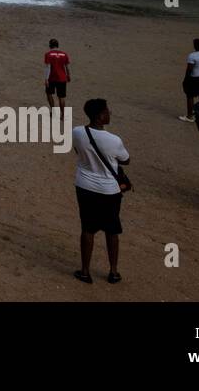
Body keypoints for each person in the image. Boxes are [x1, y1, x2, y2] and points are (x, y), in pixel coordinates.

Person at [72, 98, 129, 285]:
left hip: (85, 185)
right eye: (107, 111)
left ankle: (85, 271)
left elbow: (77, 151)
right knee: (112, 230)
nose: (109, 113)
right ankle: (113, 271)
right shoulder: (114, 140)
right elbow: (125, 159)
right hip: (109, 189)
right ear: (99, 116)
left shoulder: (78, 132)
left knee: (87, 229)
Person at [44, 38, 70, 114]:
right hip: (62, 78)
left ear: (50, 46)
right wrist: (68, 75)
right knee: (61, 97)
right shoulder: (64, 54)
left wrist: (46, 79)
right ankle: (62, 114)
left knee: (49, 94)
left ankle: (53, 110)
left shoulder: (48, 54)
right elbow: (67, 67)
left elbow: (48, 67)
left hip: (52, 78)